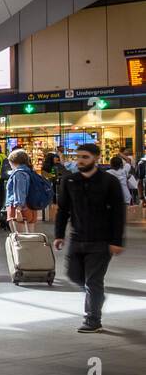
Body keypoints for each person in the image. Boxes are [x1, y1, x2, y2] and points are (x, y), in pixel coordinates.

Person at [55, 143, 126, 333]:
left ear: (96, 158)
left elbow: (118, 212)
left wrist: (116, 241)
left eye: (85, 157)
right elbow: (63, 210)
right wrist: (59, 235)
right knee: (73, 275)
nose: (80, 160)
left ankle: (92, 319)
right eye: (78, 156)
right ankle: (96, 297)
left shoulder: (109, 182)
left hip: (101, 241)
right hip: (77, 239)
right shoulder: (70, 181)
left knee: (93, 281)